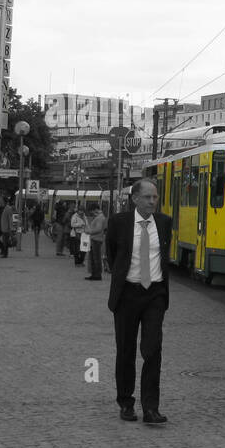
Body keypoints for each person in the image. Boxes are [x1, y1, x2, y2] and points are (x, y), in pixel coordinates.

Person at [106, 179, 173, 424]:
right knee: (126, 350)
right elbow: (112, 255)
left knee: (153, 350)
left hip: (154, 293)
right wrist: (124, 280)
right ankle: (126, 403)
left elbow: (164, 256)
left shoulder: (164, 223)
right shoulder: (118, 223)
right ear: (134, 199)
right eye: (147, 197)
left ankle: (151, 408)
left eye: (155, 197)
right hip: (127, 294)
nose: (152, 202)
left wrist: (160, 291)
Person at [85, 203, 106, 281]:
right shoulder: (98, 217)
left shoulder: (100, 217)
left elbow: (98, 229)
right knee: (93, 258)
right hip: (94, 239)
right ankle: (94, 274)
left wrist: (89, 231)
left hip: (97, 240)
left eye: (92, 211)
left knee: (96, 258)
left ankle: (97, 275)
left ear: (95, 209)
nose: (91, 213)